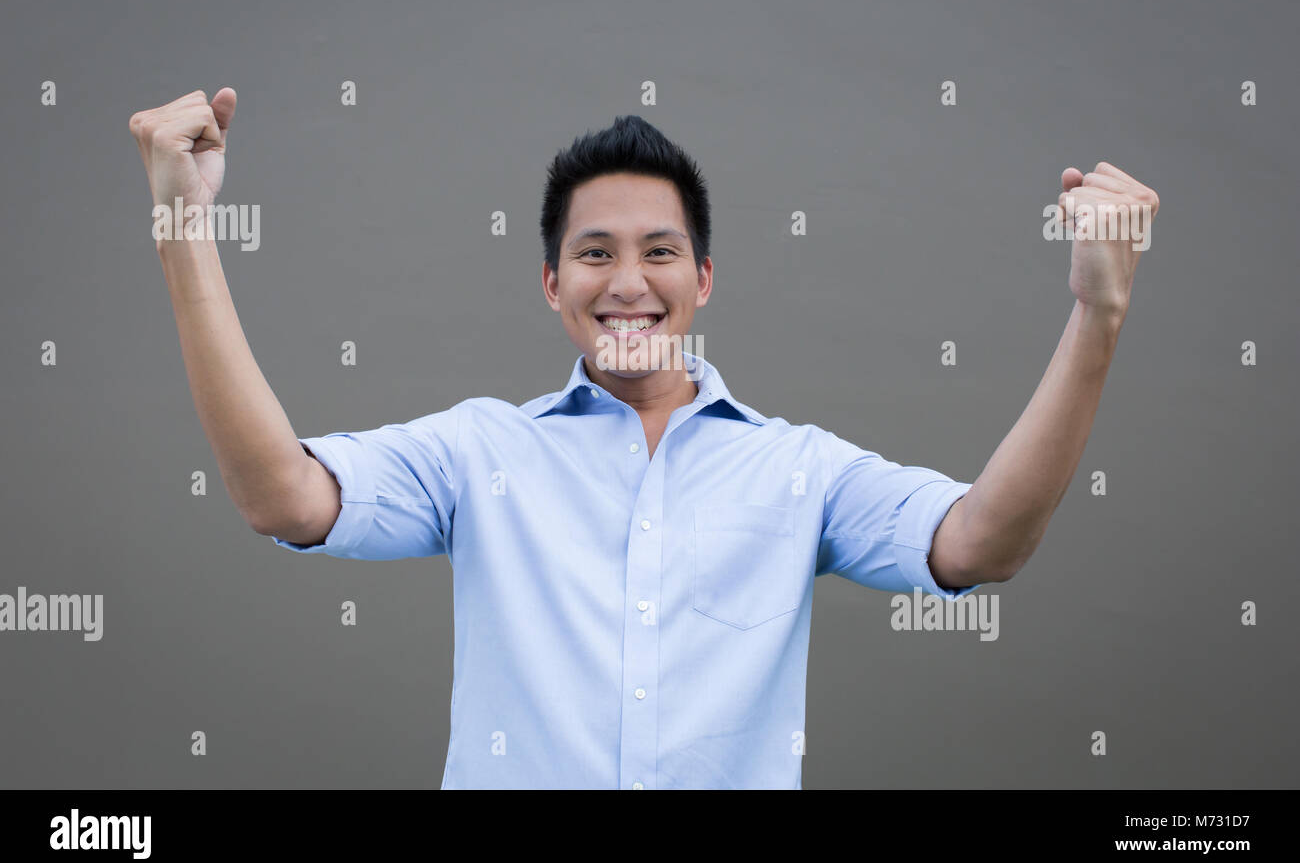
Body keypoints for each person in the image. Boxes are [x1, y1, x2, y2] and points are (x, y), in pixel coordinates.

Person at [128, 87, 1159, 788]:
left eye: (660, 250)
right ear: (551, 284)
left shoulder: (799, 470)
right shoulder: (478, 452)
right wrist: (185, 227)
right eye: (593, 253)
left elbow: (985, 540)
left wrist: (1095, 316)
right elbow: (281, 494)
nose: (627, 281)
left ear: (702, 278)